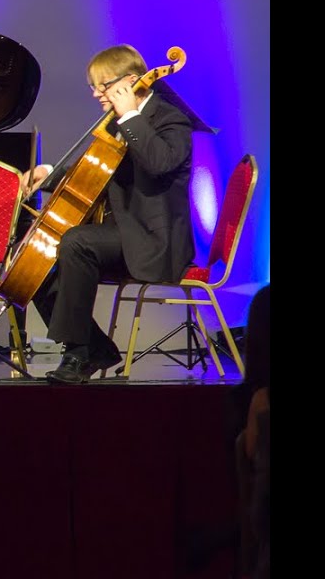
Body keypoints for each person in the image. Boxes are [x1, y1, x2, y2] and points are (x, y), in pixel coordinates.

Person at [21, 44, 195, 384]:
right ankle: (95, 348)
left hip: (152, 241)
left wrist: (131, 115)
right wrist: (48, 173)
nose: (96, 94)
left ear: (131, 82)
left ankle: (75, 354)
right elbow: (91, 168)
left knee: (76, 241)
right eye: (93, 87)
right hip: (120, 235)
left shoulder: (172, 120)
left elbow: (158, 163)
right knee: (35, 267)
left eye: (102, 86)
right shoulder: (116, 123)